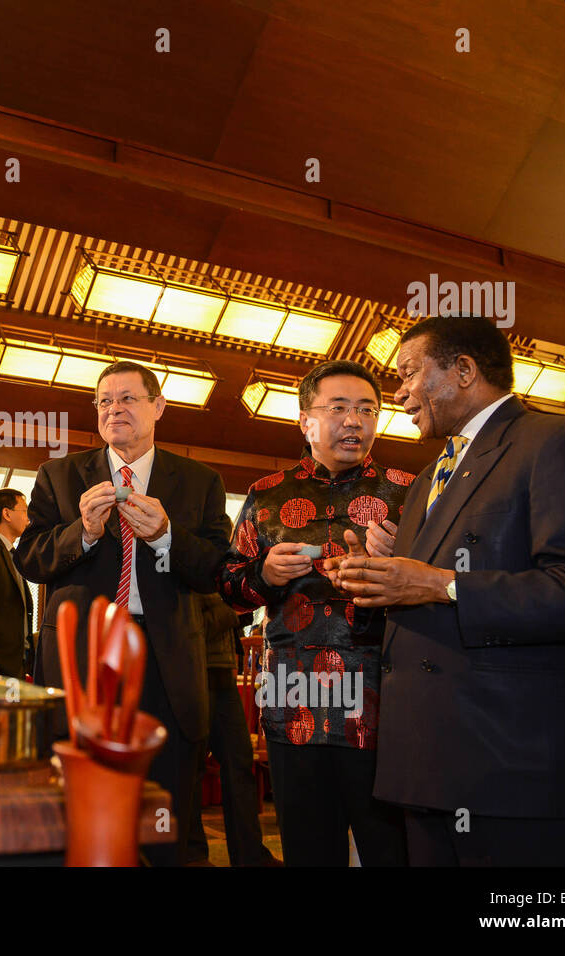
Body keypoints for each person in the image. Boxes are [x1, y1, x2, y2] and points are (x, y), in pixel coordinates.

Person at [334, 315, 565, 866]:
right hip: (431, 769)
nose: (397, 392)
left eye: (408, 373)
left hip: (519, 770)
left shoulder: (560, 441)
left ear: (464, 370)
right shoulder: (432, 475)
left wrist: (438, 582)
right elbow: (426, 593)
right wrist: (379, 576)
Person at [15, 361, 231, 866]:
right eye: (104, 401)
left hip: (165, 659)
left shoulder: (200, 482)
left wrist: (166, 536)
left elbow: (219, 570)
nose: (115, 409)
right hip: (81, 659)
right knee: (75, 798)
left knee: (166, 803)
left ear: (158, 408)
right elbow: (30, 558)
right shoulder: (59, 475)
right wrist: (82, 534)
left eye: (128, 399)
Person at [218, 360, 409, 866]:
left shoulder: (409, 491)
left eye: (367, 410)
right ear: (306, 421)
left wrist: (400, 569)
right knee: (308, 851)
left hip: (385, 705)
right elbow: (229, 592)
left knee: (390, 850)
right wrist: (263, 575)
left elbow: (443, 588)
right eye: (339, 408)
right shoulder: (265, 494)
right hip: (294, 702)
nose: (354, 421)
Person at [186, 595, 278, 866]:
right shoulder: (182, 558)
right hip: (189, 669)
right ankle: (193, 857)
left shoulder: (221, 557)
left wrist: (237, 607)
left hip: (224, 669)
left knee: (239, 766)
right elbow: (188, 620)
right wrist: (231, 609)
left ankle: (250, 856)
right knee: (192, 768)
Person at [0, 488, 34, 678]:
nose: (28, 518)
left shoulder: (13, 554)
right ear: (7, 514)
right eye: (24, 510)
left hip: (16, 661)